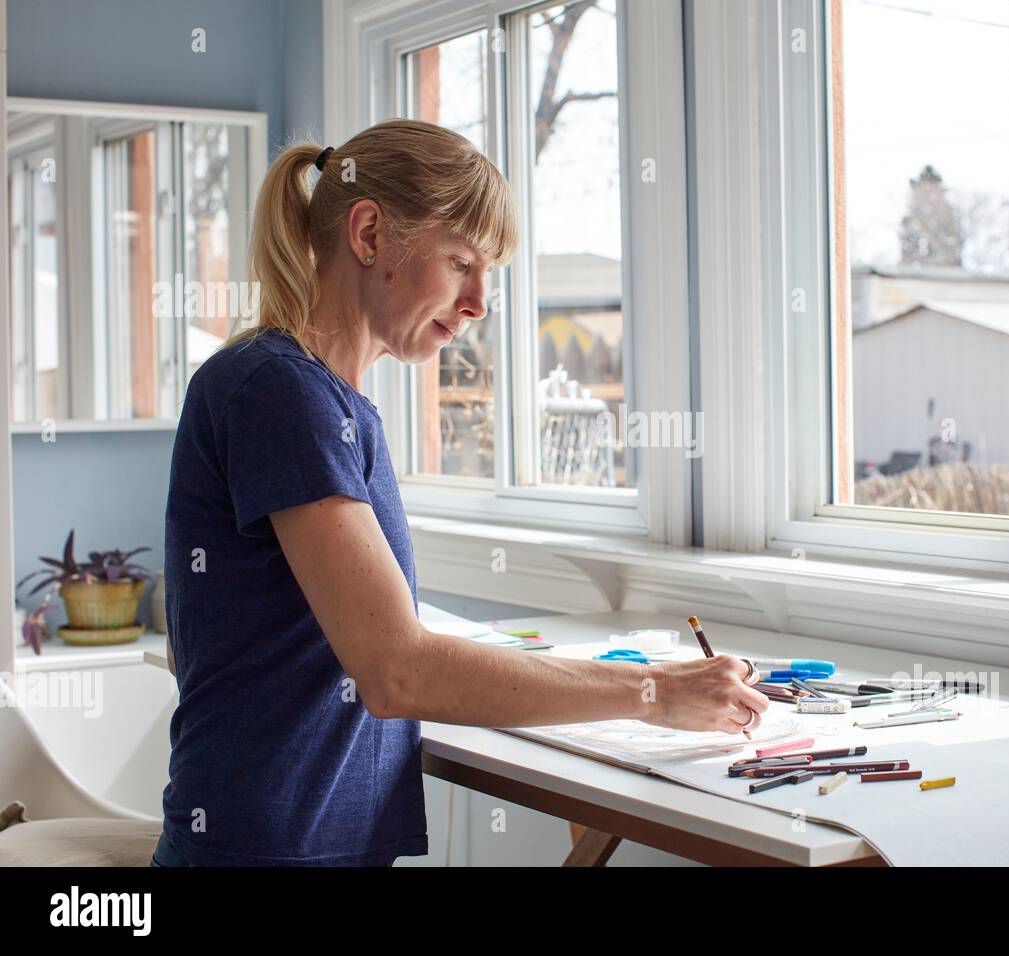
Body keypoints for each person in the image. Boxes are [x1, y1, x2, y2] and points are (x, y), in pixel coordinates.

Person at [154, 119, 767, 867]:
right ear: (370, 231)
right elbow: (396, 671)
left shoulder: (325, 401)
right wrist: (656, 693)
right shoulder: (279, 393)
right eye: (460, 262)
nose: (479, 301)